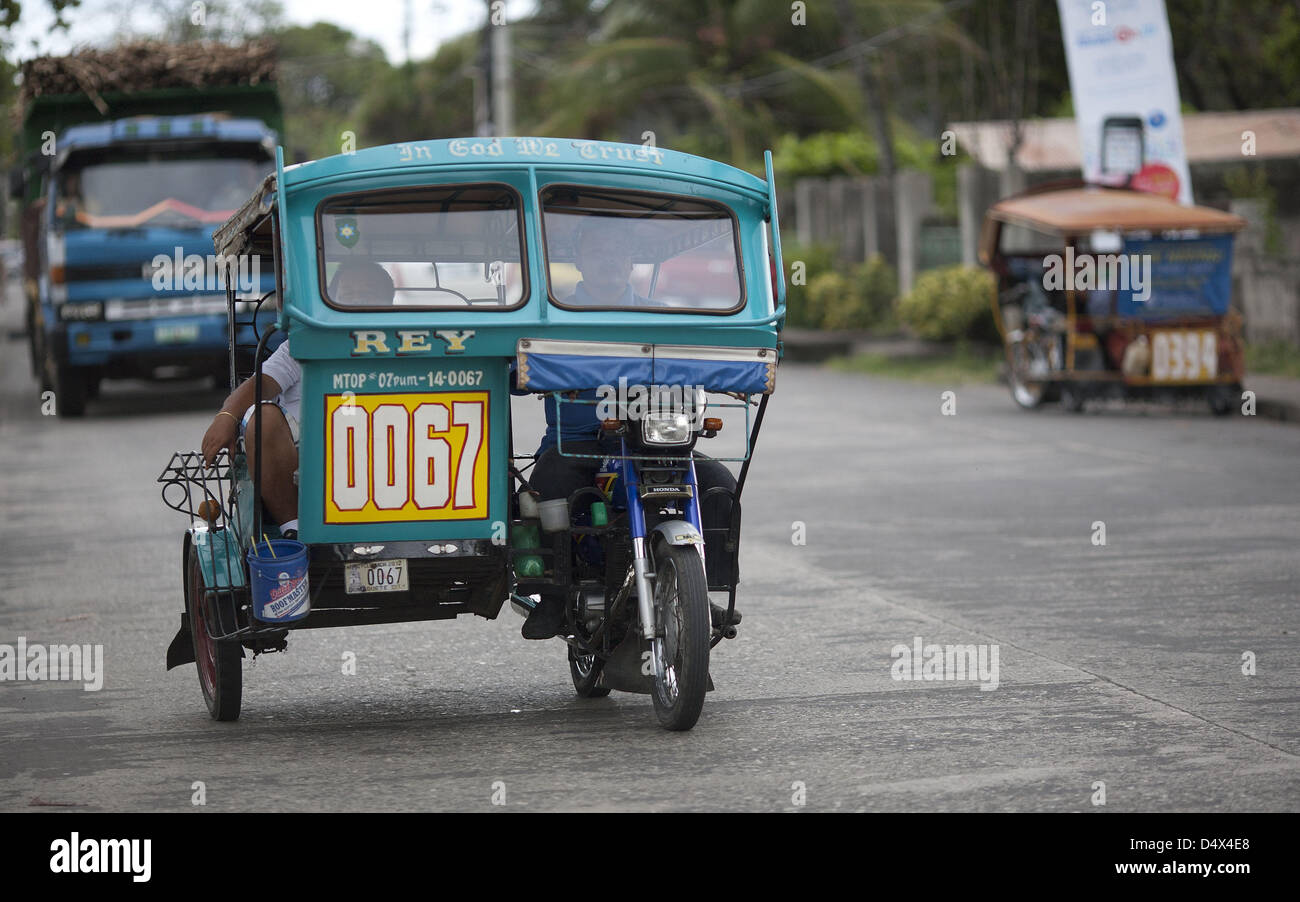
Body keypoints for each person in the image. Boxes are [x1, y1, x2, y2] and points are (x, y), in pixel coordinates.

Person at [520, 221, 739, 639]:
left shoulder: (661, 315)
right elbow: (521, 364)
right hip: (580, 444)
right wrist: (531, 373)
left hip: (648, 439)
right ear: (580, 259)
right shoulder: (553, 315)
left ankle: (698, 590)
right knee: (549, 484)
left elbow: (698, 359)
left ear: (630, 261)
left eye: (618, 251)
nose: (609, 259)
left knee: (719, 487)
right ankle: (552, 597)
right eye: (598, 250)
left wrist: (733, 377)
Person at [200, 261, 395, 537]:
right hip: (305, 452)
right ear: (332, 300)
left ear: (389, 303)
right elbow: (259, 385)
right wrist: (227, 416)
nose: (358, 300)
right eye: (349, 292)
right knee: (262, 416)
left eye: (368, 292)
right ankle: (293, 530)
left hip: (386, 449)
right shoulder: (303, 344)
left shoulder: (406, 343)